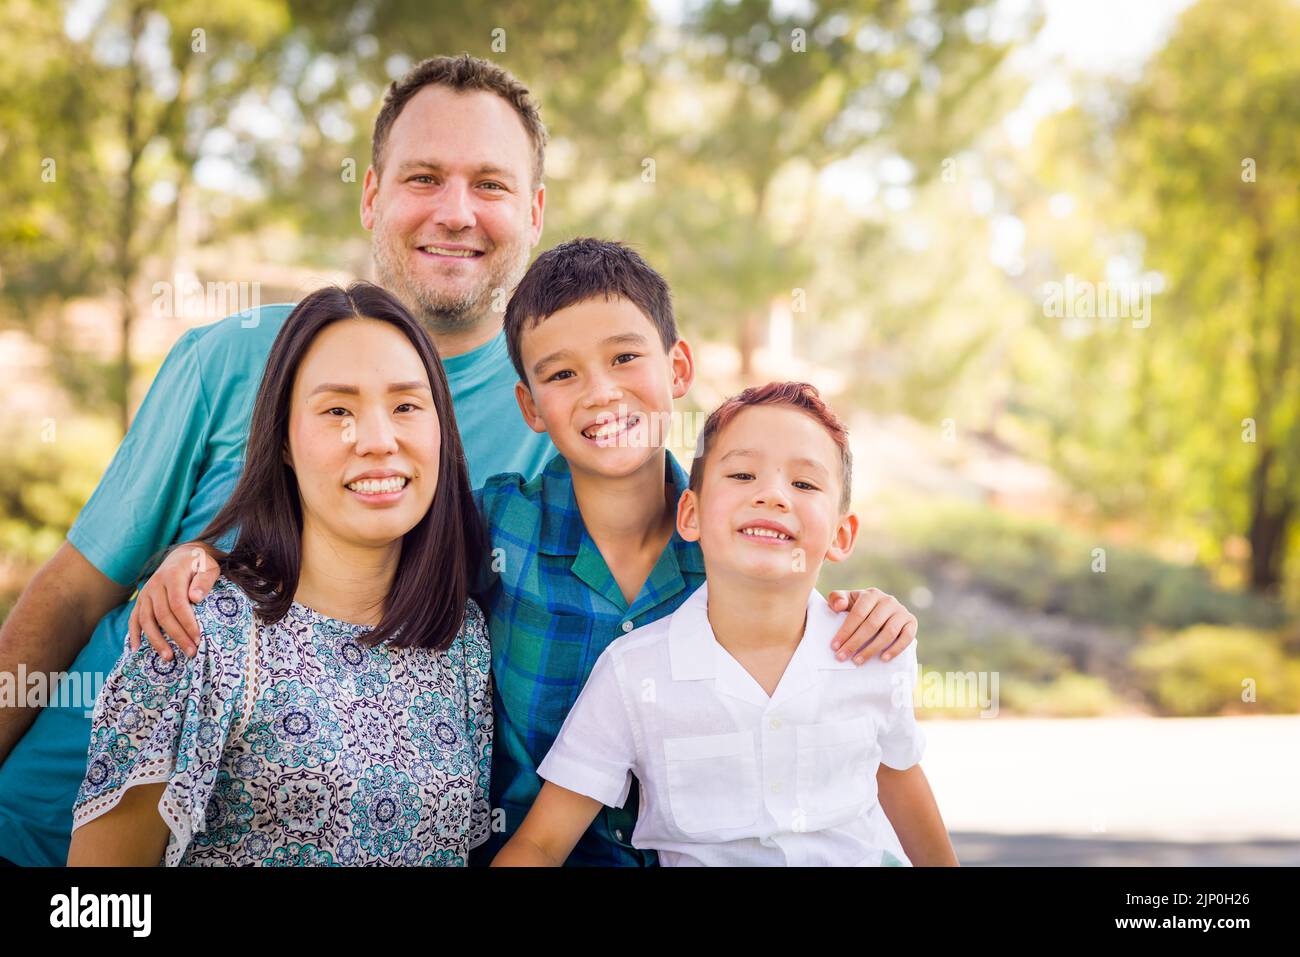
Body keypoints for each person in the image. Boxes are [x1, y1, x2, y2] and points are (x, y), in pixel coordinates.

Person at [136, 239, 924, 866]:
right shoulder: (492, 528)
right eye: (562, 373)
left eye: (625, 358)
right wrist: (207, 554)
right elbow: (352, 524)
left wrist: (867, 607)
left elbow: (806, 591)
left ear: (677, 370)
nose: (602, 392)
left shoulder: (730, 540)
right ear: (531, 405)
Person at [0, 53, 551, 867]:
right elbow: (76, 591)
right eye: (424, 177)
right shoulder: (230, 358)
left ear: (535, 212)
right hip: (47, 840)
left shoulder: (551, 417)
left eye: (491, 185)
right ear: (372, 196)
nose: (456, 212)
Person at [68, 282, 491, 866]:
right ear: (285, 441)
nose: (377, 440)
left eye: (406, 406)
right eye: (337, 409)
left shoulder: (461, 637)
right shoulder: (197, 630)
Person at [493, 382, 958, 866]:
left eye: (804, 484)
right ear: (690, 515)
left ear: (841, 535)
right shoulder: (635, 673)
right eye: (742, 474)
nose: (773, 495)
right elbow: (541, 844)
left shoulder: (875, 650)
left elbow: (901, 777)